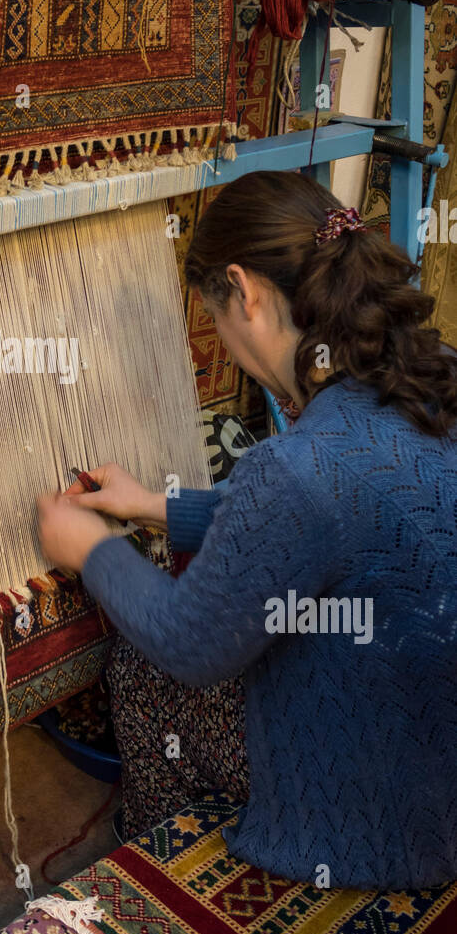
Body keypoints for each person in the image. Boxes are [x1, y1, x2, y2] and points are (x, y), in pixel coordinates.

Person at [36, 170, 457, 890]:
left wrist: (93, 549)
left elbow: (191, 643)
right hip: (437, 770)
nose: (225, 342)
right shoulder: (433, 376)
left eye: (216, 315)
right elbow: (329, 528)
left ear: (246, 291)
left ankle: (158, 875)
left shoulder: (296, 467)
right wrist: (156, 506)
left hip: (375, 829)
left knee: (145, 675)